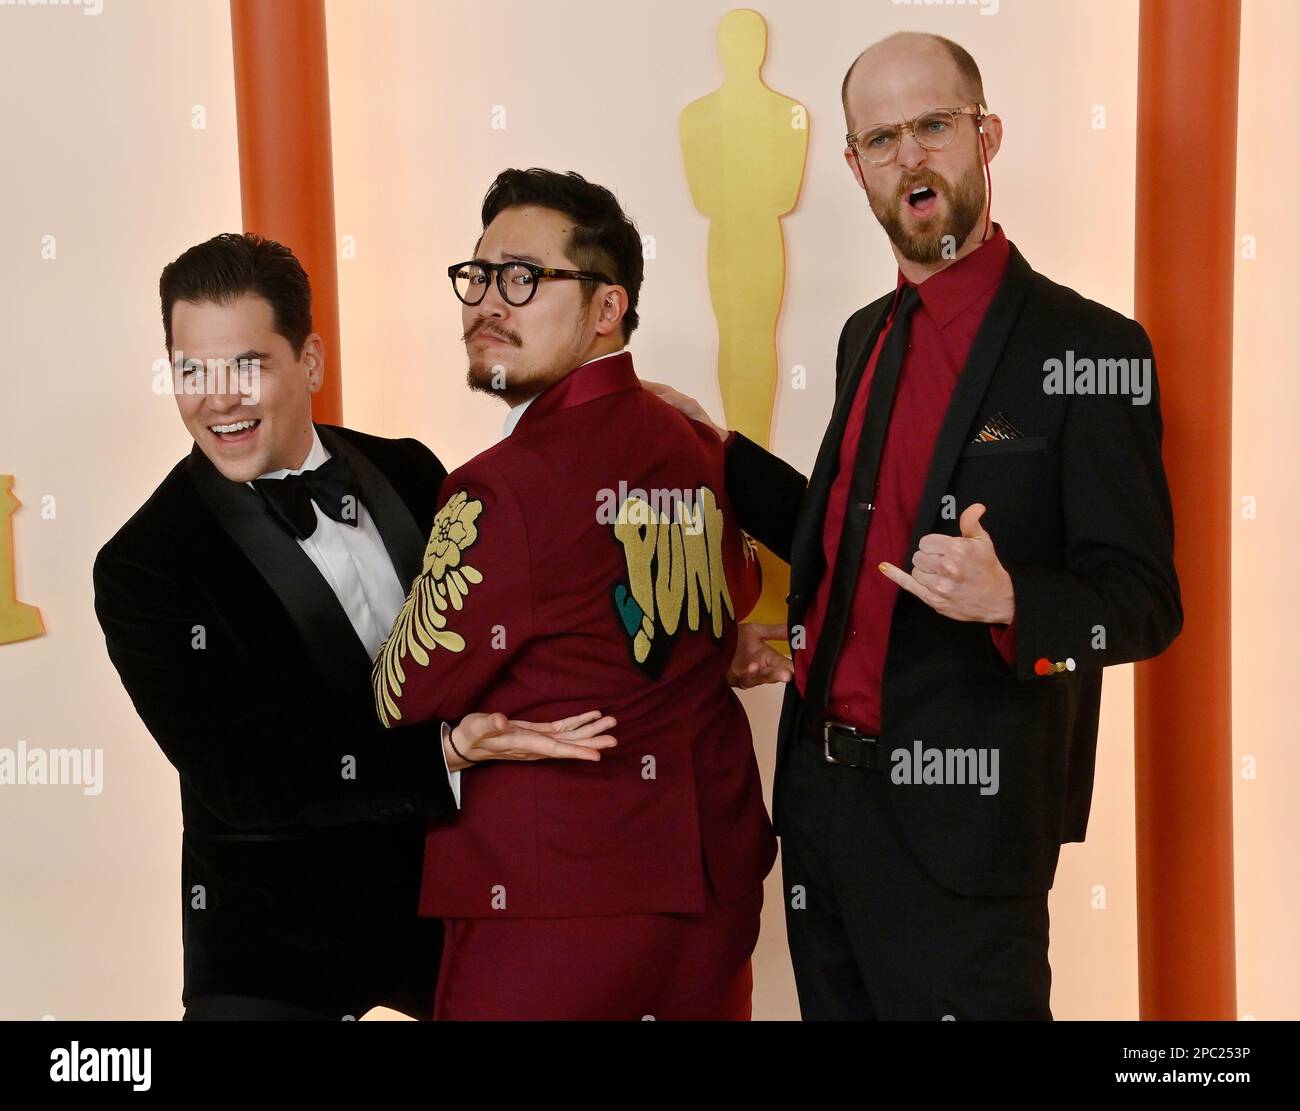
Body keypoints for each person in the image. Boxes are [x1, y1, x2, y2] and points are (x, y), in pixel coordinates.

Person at [648, 31, 1182, 1020]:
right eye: (883, 138)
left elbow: (1144, 606)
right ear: (854, 165)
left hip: (966, 836)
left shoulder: (1092, 349)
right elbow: (849, 525)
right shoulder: (866, 334)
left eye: (933, 126)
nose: (912, 157)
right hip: (820, 808)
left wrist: (1013, 598)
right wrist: (714, 452)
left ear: (986, 136)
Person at [94, 232, 614, 1020]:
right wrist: (441, 751)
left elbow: (515, 618)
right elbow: (241, 778)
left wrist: (704, 638)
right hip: (271, 943)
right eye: (190, 369)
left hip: (452, 895)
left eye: (246, 364)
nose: (216, 398)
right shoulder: (143, 561)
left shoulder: (410, 469)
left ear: (310, 361)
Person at [372, 169, 776, 1020]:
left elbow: (403, 693)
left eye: (523, 278)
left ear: (607, 308)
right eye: (477, 277)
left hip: (551, 895)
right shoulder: (700, 442)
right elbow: (726, 603)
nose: (488, 301)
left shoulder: (497, 488)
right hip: (715, 887)